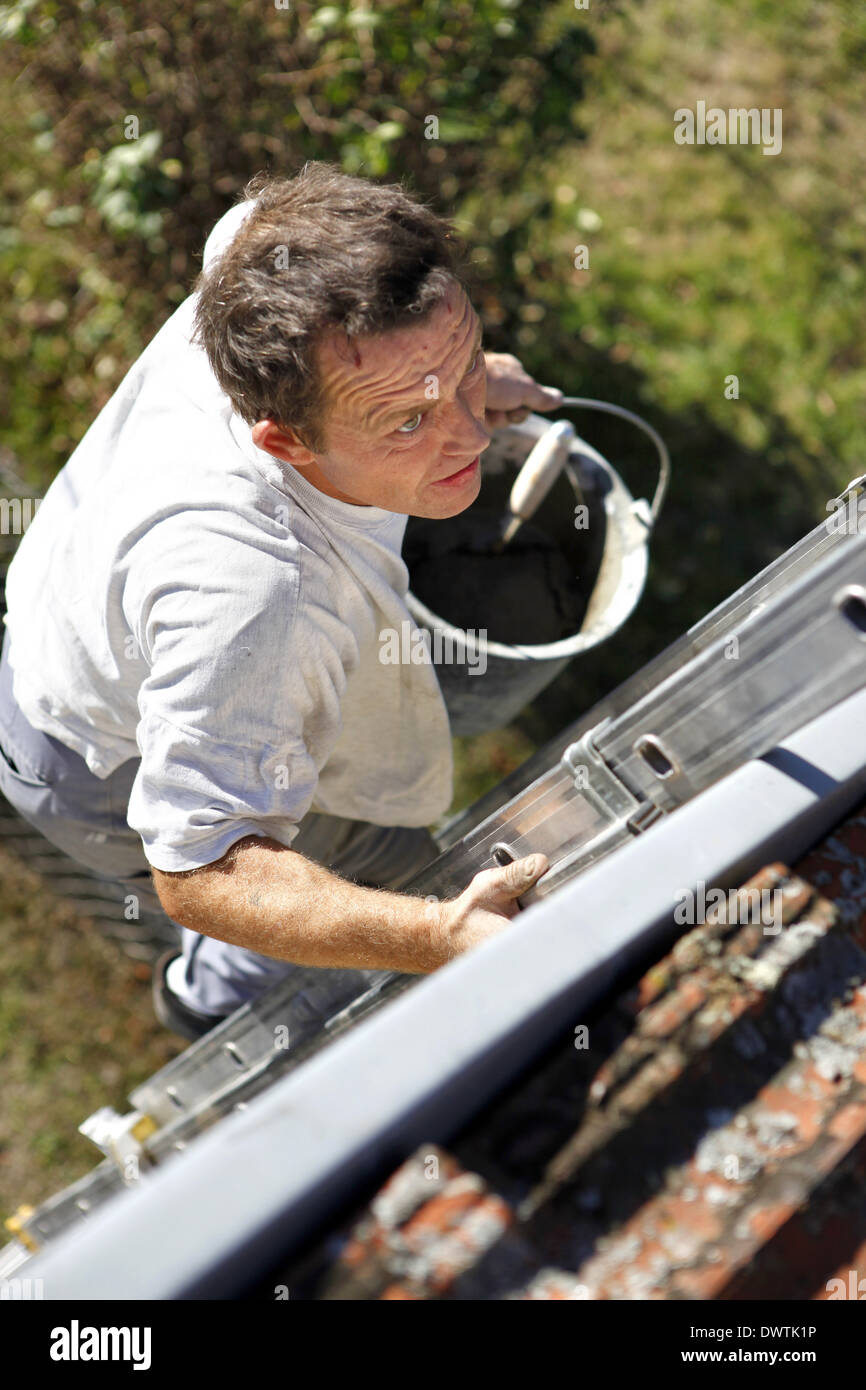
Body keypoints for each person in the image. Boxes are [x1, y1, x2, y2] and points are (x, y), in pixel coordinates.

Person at [0, 163, 555, 1041]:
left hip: (83, 612)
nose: (474, 435)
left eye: (458, 368)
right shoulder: (259, 594)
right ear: (285, 441)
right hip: (98, 765)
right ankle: (212, 995)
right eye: (408, 423)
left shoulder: (265, 249)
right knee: (385, 863)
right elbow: (204, 868)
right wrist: (437, 931)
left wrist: (448, 377)